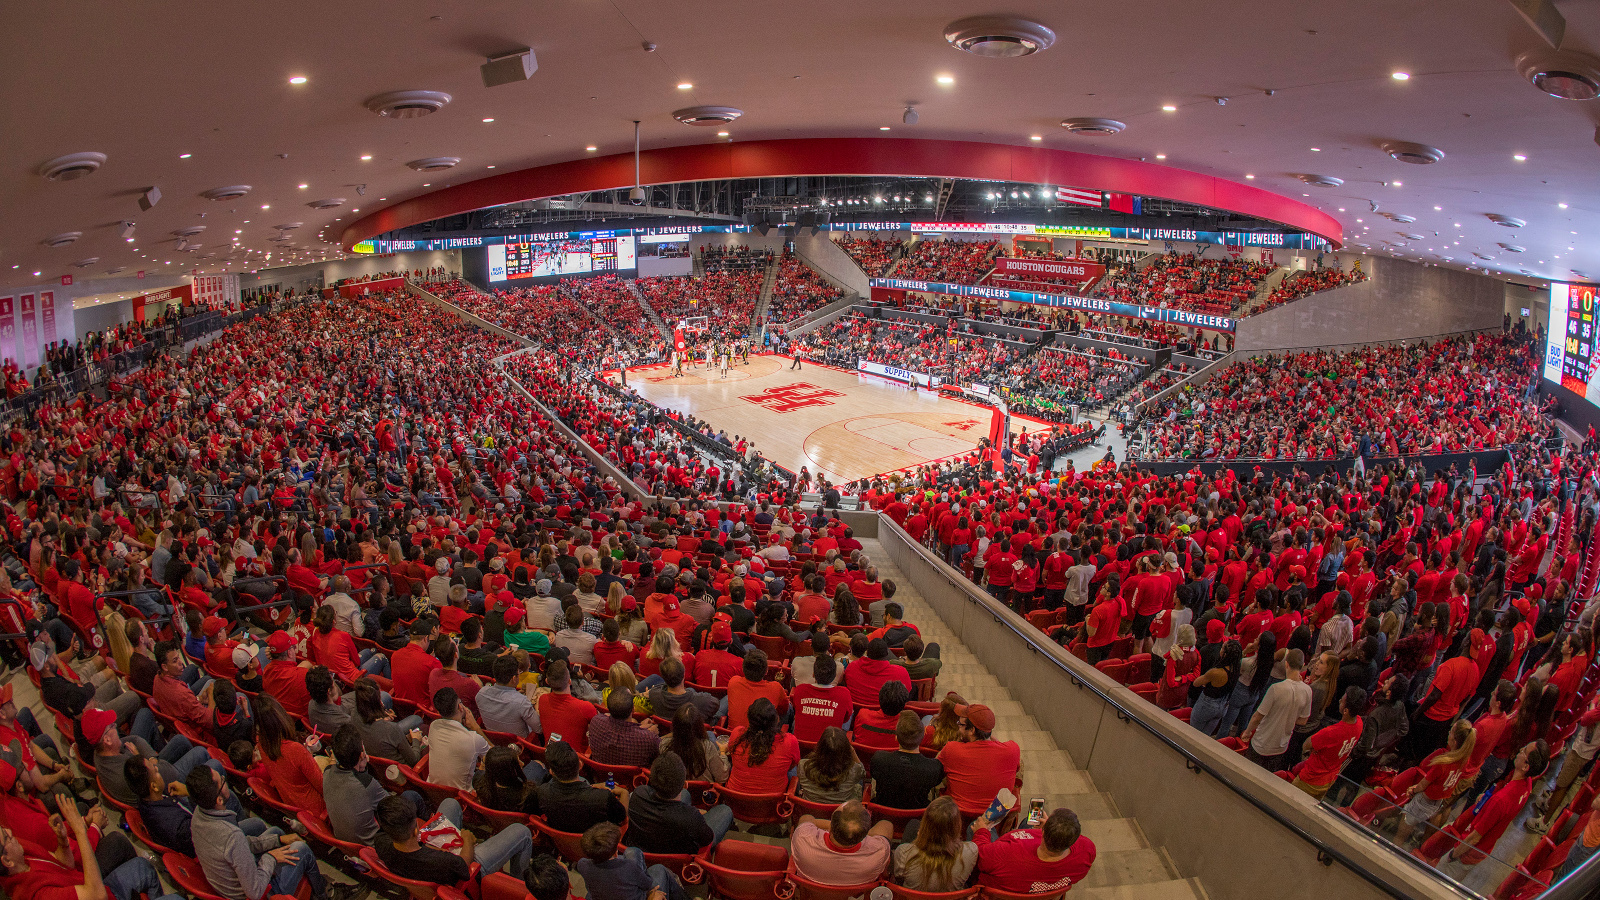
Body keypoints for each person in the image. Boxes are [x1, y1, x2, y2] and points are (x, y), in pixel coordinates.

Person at [187, 766, 362, 900]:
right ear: (218, 799)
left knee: (277, 833)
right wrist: (270, 857)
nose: (225, 779)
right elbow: (255, 891)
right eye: (222, 781)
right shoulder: (231, 836)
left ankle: (314, 879)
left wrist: (278, 840)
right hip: (260, 894)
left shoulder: (199, 815)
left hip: (238, 875)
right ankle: (326, 894)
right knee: (302, 850)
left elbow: (240, 847)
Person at [1, 792, 189, 900]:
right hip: (98, 892)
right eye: (5, 837)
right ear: (7, 860)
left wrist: (63, 841)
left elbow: (63, 863)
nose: (10, 833)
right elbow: (97, 895)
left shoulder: (23, 854)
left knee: (143, 867)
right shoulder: (38, 895)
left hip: (92, 886)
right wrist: (82, 831)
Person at [374, 791, 535, 883]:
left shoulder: (380, 842)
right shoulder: (441, 861)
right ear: (415, 830)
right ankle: (519, 883)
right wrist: (467, 840)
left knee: (450, 802)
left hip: (423, 855)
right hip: (467, 871)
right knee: (522, 832)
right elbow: (464, 866)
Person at [623, 751, 735, 854]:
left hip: (642, 851)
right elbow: (707, 839)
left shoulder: (638, 794)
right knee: (725, 810)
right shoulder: (691, 817)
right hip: (678, 860)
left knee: (685, 795)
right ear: (684, 784)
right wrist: (697, 819)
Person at [971, 806, 1096, 894]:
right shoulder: (1087, 852)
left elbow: (979, 855)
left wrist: (981, 831)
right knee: (1028, 821)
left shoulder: (1005, 853)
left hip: (998, 892)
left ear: (1043, 832)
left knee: (977, 823)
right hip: (1035, 892)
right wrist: (1055, 830)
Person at [1394, 719, 1476, 845]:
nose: (1448, 732)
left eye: (1451, 731)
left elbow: (1423, 784)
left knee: (1401, 834)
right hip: (1437, 802)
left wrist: (1413, 789)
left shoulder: (1443, 763)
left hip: (1423, 801)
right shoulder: (1465, 760)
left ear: (1454, 741)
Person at [323, 724, 408, 846]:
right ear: (361, 754)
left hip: (345, 844)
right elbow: (395, 807)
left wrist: (362, 770)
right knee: (411, 796)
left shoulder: (326, 773)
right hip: (374, 845)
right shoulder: (366, 783)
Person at [937, 703, 1021, 817]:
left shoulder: (951, 749)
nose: (958, 728)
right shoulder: (1013, 750)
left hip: (957, 822)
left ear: (972, 730)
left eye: (960, 725)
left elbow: (935, 769)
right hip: (995, 823)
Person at [529, 740, 628, 834]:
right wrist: (624, 792)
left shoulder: (542, 793)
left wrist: (593, 787)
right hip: (598, 844)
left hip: (564, 845)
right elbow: (622, 819)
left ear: (552, 772)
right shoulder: (603, 798)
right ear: (580, 765)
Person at [789, 801, 893, 886]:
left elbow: (807, 818)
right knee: (886, 824)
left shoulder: (802, 837)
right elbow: (886, 826)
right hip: (854, 894)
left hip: (812, 890)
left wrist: (841, 826)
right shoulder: (880, 851)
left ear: (830, 827)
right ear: (864, 835)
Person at [1241, 648, 1312, 772]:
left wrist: (1247, 732)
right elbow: (1303, 720)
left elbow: (1258, 716)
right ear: (1303, 666)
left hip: (1262, 743)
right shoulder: (1307, 691)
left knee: (1248, 773)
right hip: (1281, 746)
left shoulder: (1276, 688)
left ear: (1286, 664)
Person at [255, 694, 327, 815]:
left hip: (294, 805)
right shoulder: (295, 750)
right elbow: (323, 787)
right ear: (281, 717)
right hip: (316, 808)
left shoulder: (262, 744)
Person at [577, 821, 685, 900]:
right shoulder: (628, 867)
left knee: (632, 851)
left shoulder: (582, 865)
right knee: (659, 869)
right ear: (615, 852)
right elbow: (647, 885)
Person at [1292, 686, 1366, 799]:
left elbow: (1306, 745)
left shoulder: (1331, 732)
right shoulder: (1359, 723)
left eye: (1343, 700)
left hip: (1310, 779)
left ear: (1345, 710)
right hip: (1330, 778)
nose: (1340, 700)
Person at [892, 796, 978, 892]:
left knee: (913, 824)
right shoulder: (971, 851)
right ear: (956, 826)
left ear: (925, 825)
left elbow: (899, 878)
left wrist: (920, 840)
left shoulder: (903, 852)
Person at [870, 710, 945, 811]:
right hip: (917, 820)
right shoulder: (933, 768)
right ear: (922, 737)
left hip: (883, 816)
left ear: (896, 737)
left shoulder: (879, 760)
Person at [726, 698, 801, 794]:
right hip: (773, 804)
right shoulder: (790, 741)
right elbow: (792, 766)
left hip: (736, 800)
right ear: (776, 719)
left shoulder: (736, 734)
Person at [428, 687, 495, 791]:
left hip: (433, 791)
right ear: (460, 706)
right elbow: (497, 758)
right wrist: (476, 728)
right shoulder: (474, 739)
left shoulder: (433, 726)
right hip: (463, 797)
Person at [588, 689, 660, 768]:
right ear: (633, 710)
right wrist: (647, 732)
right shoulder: (649, 738)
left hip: (601, 777)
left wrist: (640, 727)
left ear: (608, 708)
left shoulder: (595, 721)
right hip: (632, 779)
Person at [538, 661, 600, 753]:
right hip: (577, 761)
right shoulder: (585, 707)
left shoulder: (542, 700)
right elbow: (598, 730)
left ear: (547, 681)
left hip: (550, 756)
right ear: (570, 681)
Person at [659, 705, 729, 784]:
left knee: (709, 734)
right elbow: (722, 778)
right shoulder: (707, 746)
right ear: (699, 726)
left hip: (676, 791)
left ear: (675, 725)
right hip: (703, 793)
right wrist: (723, 753)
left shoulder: (664, 745)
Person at [797, 726, 867, 803]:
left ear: (820, 746)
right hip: (842, 813)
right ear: (846, 750)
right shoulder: (854, 770)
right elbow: (862, 773)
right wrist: (852, 750)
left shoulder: (803, 766)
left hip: (810, 812)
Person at [478, 653, 541, 737]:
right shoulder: (522, 703)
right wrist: (537, 708)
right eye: (519, 672)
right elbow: (539, 729)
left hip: (492, 740)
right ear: (514, 678)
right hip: (520, 746)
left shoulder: (480, 694)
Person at [726, 649, 787, 730]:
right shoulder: (776, 687)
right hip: (764, 737)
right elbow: (784, 710)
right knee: (789, 707)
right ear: (766, 671)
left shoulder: (733, 682)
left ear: (743, 669)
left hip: (734, 736)